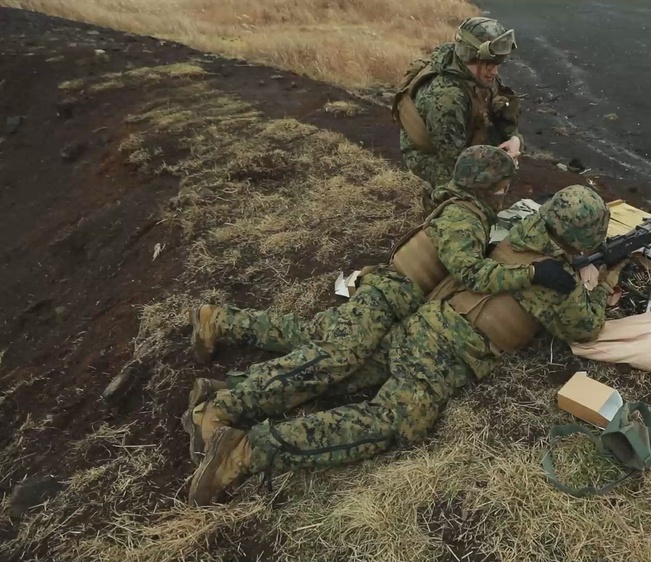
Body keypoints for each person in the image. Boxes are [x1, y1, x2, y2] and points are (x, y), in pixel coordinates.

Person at [186, 185, 625, 506]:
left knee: (341, 374)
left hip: (420, 322)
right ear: (587, 238)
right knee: (393, 422)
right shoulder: (560, 285)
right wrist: (601, 283)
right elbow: (585, 327)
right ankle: (244, 452)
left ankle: (225, 401)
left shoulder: (524, 232)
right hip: (448, 351)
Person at [181, 145, 577, 461]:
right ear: (489, 188)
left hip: (394, 296)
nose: (503, 195)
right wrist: (534, 274)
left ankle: (220, 330)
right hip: (389, 296)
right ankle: (224, 408)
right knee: (335, 356)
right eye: (501, 188)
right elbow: (472, 273)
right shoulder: (463, 218)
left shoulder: (463, 208)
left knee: (317, 338)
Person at [392, 16, 524, 215]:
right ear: (471, 56)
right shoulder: (447, 98)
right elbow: (454, 160)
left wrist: (514, 139)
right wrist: (496, 168)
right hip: (433, 156)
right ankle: (439, 208)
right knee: (477, 198)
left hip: (461, 143)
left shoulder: (479, 73)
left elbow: (501, 112)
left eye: (497, 64)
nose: (495, 72)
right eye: (490, 65)